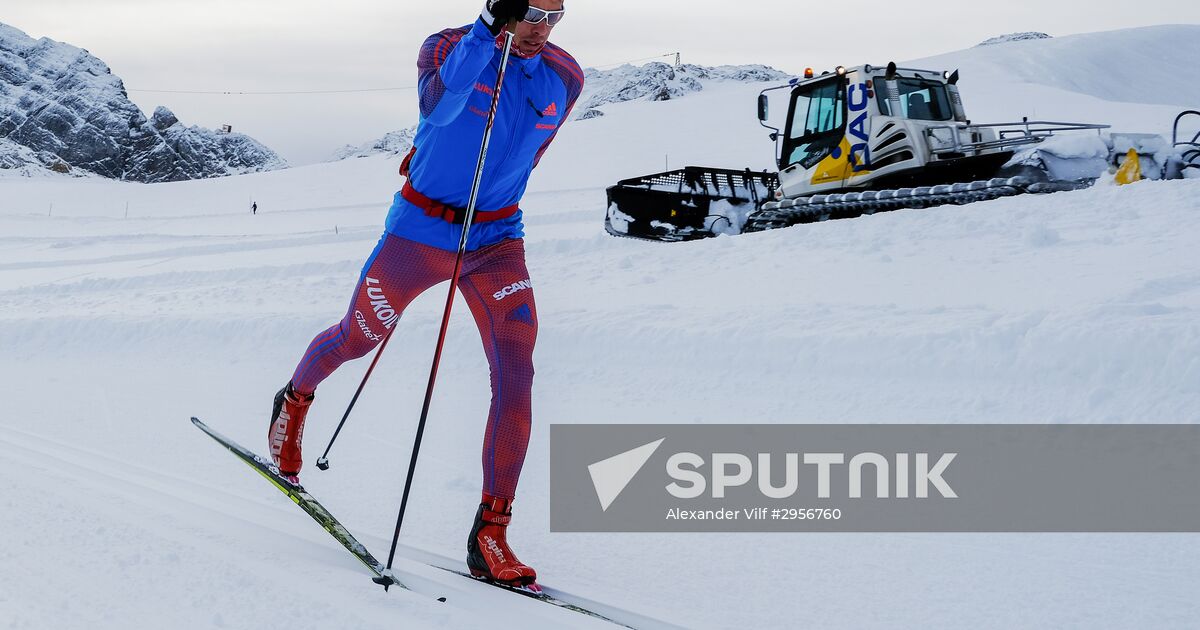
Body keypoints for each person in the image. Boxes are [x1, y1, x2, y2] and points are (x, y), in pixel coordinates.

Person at [266, 0, 581, 587]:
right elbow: (439, 109)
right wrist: (487, 32)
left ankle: (492, 530)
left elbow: (525, 157)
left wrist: (489, 202)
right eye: (530, 12)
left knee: (517, 375)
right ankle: (295, 399)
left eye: (555, 15)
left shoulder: (566, 76)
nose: (542, 28)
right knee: (357, 338)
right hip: (419, 232)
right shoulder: (446, 47)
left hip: (496, 241)